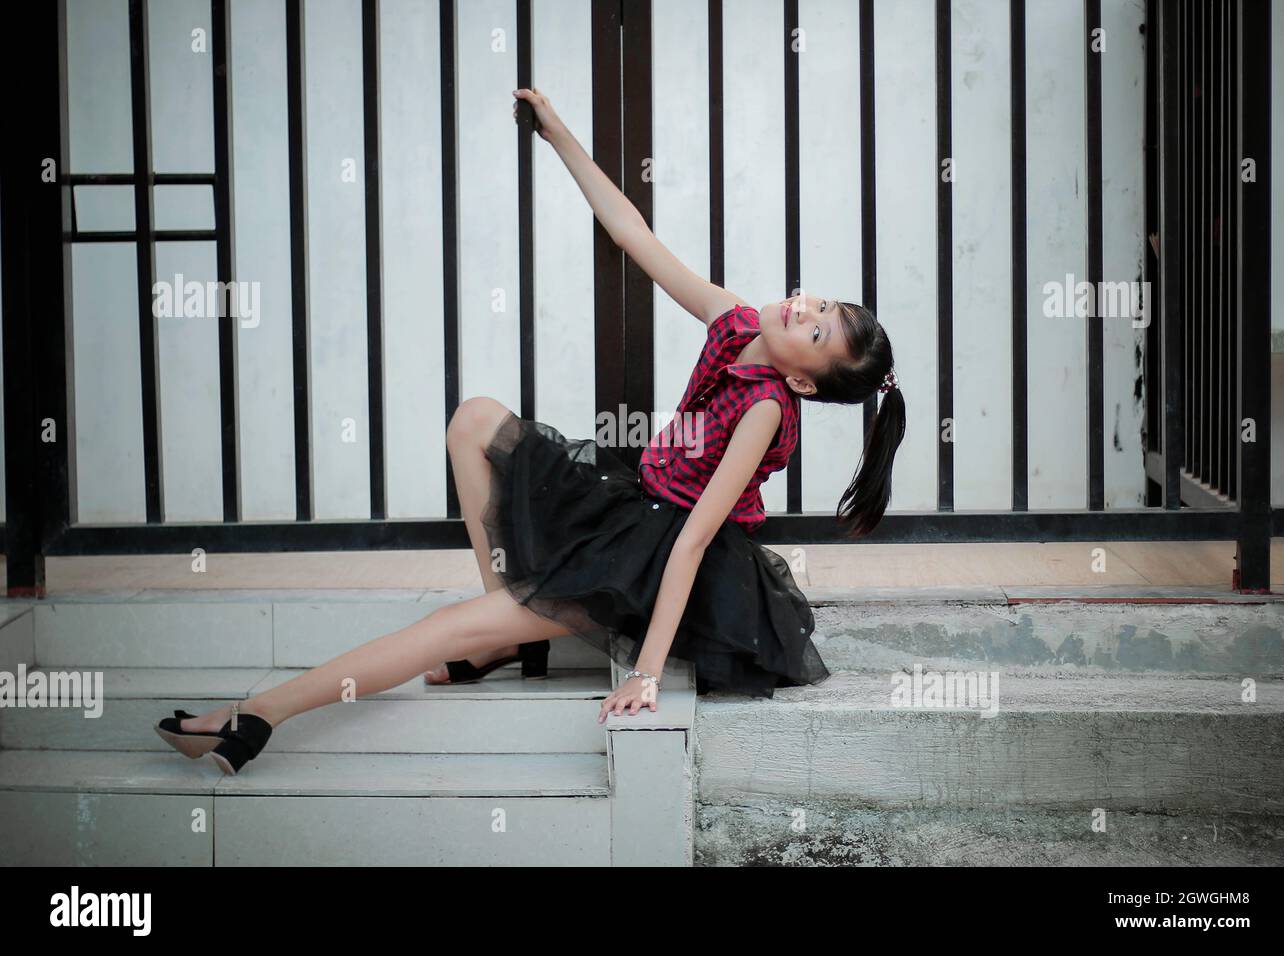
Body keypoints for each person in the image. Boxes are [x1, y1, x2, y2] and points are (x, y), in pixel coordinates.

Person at [155, 88, 906, 775]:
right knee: (474, 420)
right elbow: (632, 233)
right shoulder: (739, 321)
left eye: (816, 333)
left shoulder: (770, 407)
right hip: (635, 501)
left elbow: (695, 540)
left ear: (804, 378)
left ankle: (257, 716)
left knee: (451, 625)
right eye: (818, 305)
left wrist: (646, 671)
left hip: (663, 554)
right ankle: (509, 632)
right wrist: (559, 136)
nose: (801, 312)